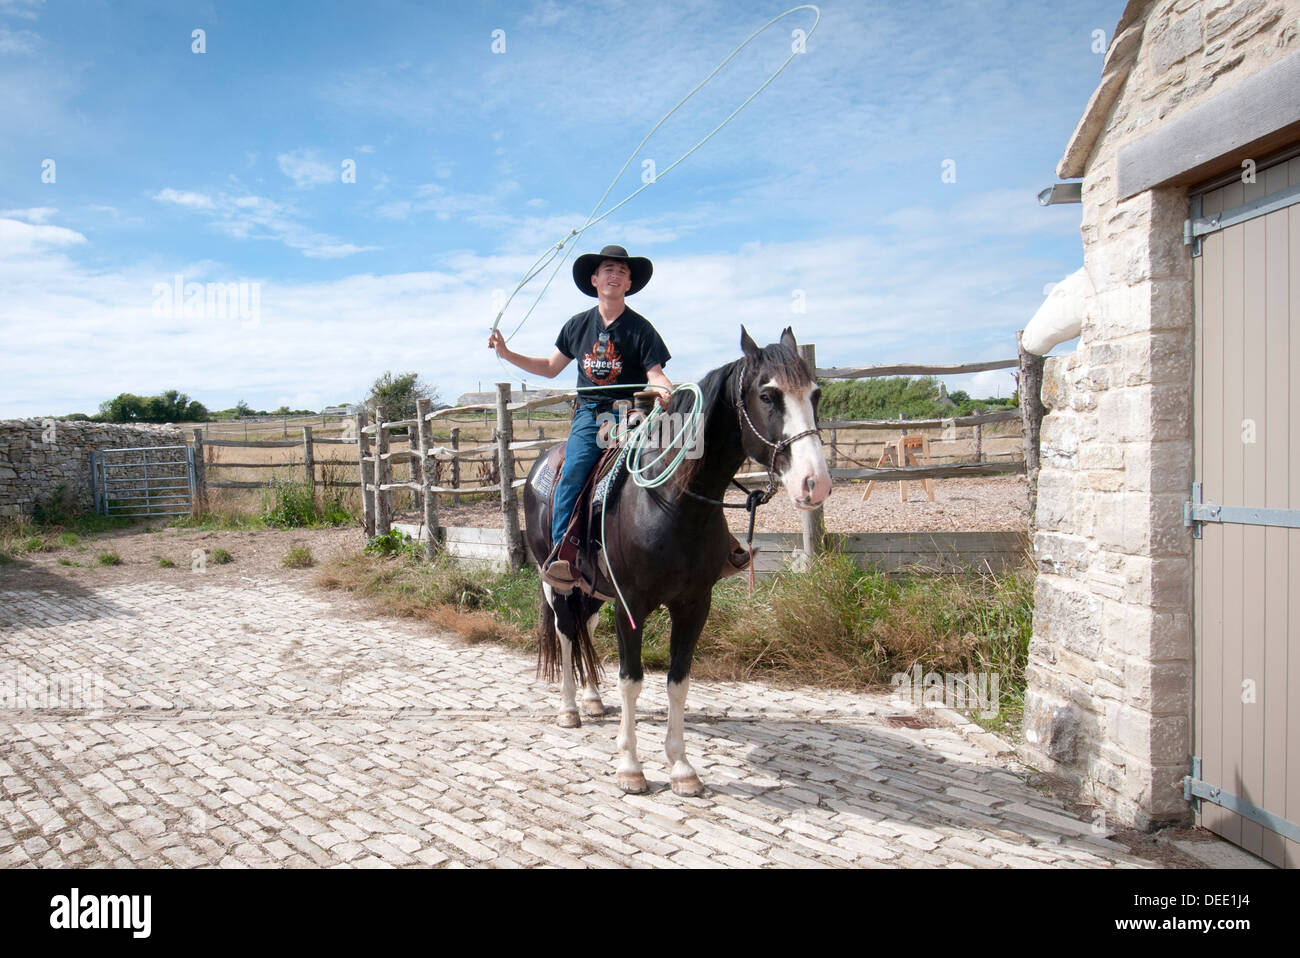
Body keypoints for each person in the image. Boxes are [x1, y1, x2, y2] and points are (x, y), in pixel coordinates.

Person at [488, 244, 672, 593]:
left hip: (630, 411)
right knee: (574, 471)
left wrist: (663, 389)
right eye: (607, 269)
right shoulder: (577, 326)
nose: (614, 275)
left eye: (621, 271)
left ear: (629, 283)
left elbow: (655, 373)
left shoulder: (641, 329)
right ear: (594, 279)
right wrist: (506, 352)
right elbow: (549, 367)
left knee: (675, 458)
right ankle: (563, 556)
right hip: (590, 415)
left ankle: (707, 545)